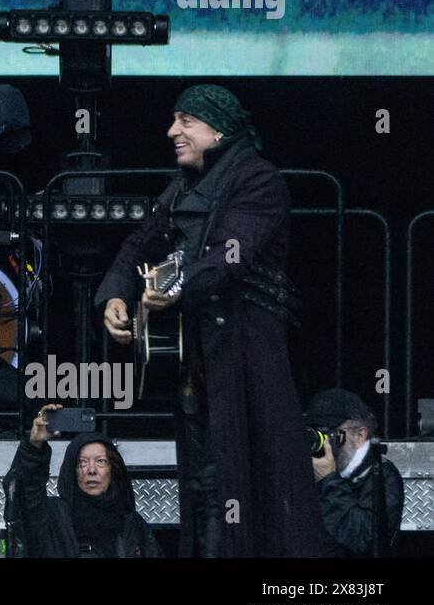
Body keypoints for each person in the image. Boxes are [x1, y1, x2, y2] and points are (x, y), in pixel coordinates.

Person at [96, 84, 326, 557]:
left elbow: (228, 258)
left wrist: (174, 288)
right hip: (196, 367)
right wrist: (115, 295)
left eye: (185, 121)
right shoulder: (183, 186)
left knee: (243, 478)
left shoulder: (258, 180)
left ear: (218, 127)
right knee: (203, 486)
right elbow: (139, 244)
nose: (171, 131)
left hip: (245, 358)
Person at [4, 403, 160, 558]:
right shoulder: (53, 516)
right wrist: (34, 445)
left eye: (100, 461)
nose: (91, 470)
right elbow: (25, 491)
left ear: (113, 469)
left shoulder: (131, 524)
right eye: (82, 462)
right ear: (72, 471)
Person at [306, 388, 405, 556]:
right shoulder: (310, 468)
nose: (324, 442)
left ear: (359, 435)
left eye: (330, 432)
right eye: (316, 432)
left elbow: (364, 542)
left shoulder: (381, 475)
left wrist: (329, 481)